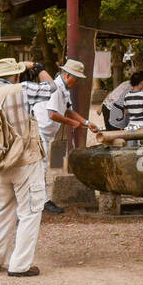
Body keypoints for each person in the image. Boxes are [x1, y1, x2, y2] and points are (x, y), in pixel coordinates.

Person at [0, 57, 52, 276]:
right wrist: (38, 68)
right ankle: (20, 265)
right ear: (15, 75)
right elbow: (51, 88)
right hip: (24, 160)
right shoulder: (22, 90)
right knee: (29, 212)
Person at [34, 58, 93, 215]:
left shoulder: (64, 89)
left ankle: (39, 199)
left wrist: (87, 123)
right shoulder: (54, 88)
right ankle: (42, 201)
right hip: (39, 132)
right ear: (66, 75)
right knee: (41, 166)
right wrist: (71, 123)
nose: (77, 82)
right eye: (76, 78)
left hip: (46, 133)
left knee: (40, 166)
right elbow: (53, 114)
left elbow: (68, 110)